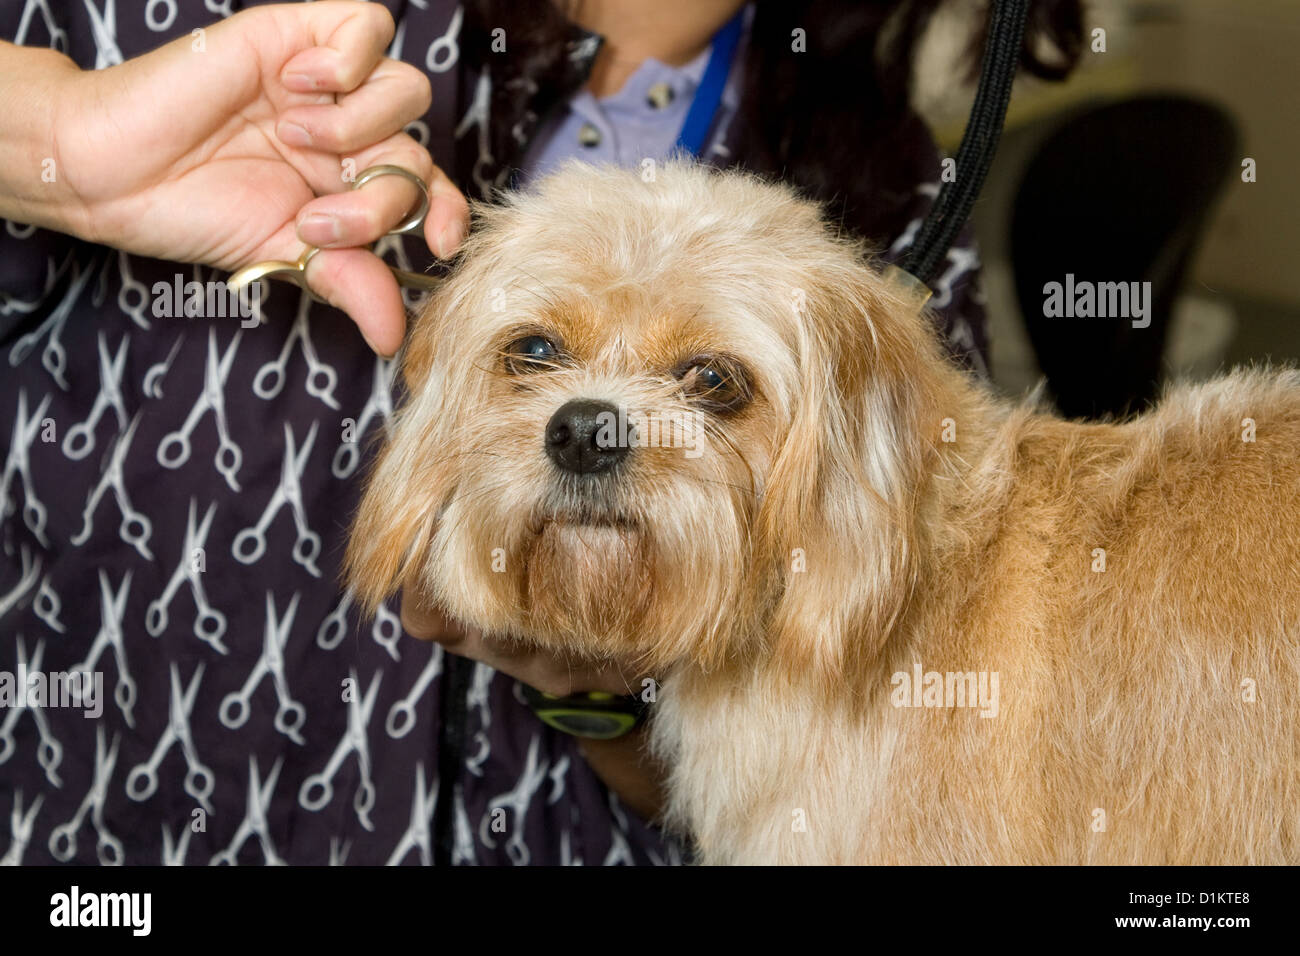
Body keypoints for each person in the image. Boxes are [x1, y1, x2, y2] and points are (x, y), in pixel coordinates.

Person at [0, 0, 1080, 865]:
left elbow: (880, 765)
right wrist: (58, 138)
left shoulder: (884, 197)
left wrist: (602, 707)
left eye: (711, 380)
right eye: (534, 354)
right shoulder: (233, 30)